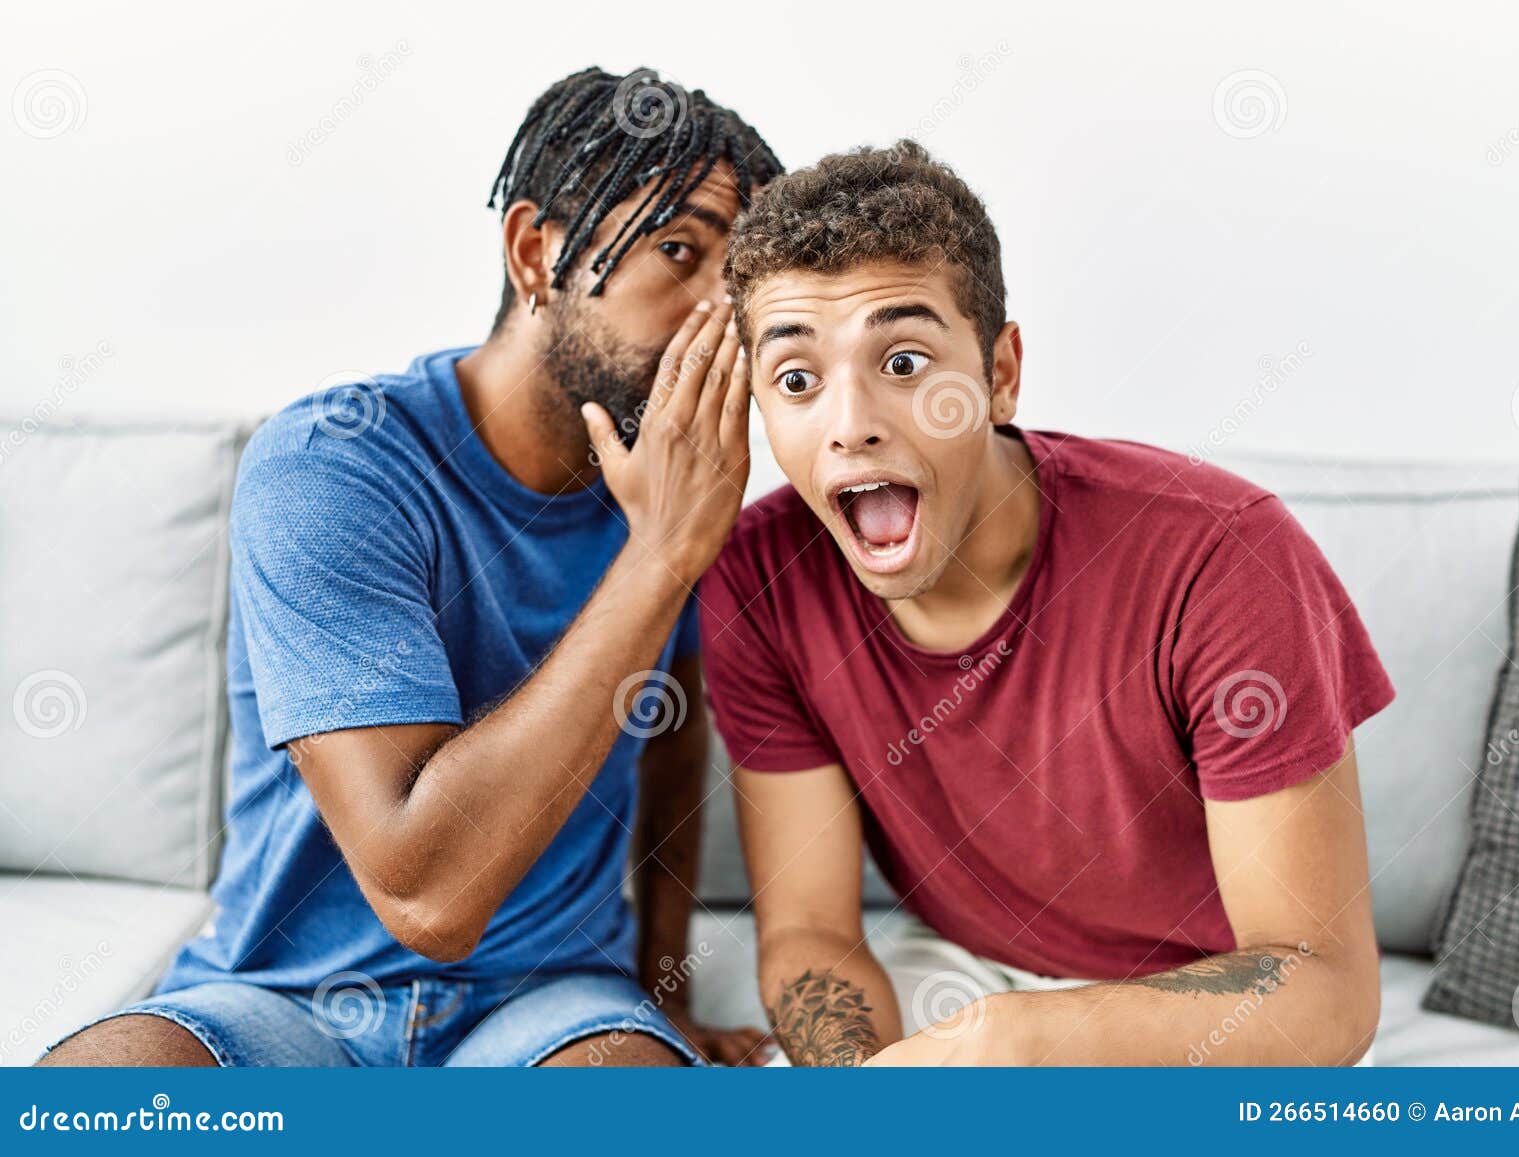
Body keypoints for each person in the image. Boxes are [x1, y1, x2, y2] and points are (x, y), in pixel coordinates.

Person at [40, 66, 780, 1068]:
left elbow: (671, 744)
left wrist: (666, 981)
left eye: (739, 291)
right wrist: (660, 556)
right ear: (533, 249)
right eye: (678, 252)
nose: (713, 321)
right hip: (283, 1001)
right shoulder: (336, 465)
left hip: (550, 1005)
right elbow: (426, 891)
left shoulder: (668, 491)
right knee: (106, 1084)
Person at [701, 141, 1396, 1066]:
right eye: (796, 380)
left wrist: (1020, 1044)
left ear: (999, 374)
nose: (850, 420)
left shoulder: (1220, 556)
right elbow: (813, 937)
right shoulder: (758, 579)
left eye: (904, 362)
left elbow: (1326, 990)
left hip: (1198, 1017)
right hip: (958, 976)